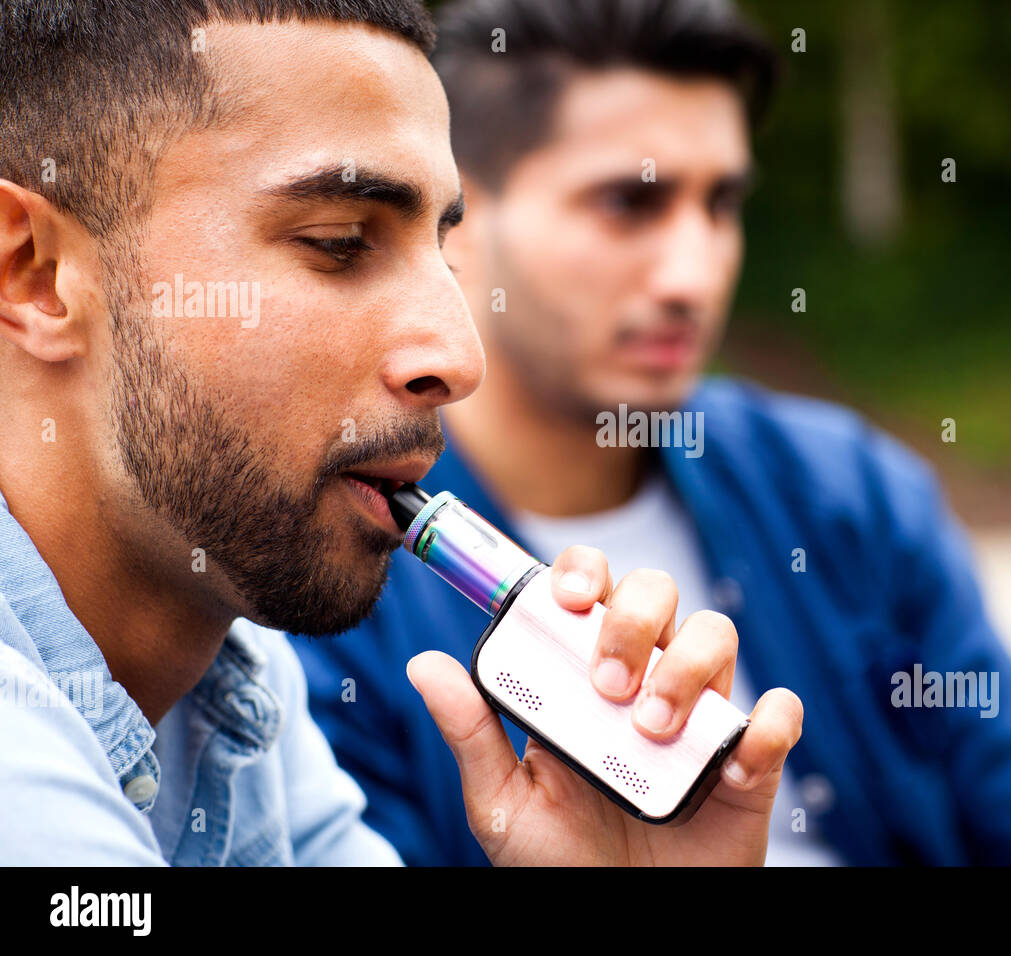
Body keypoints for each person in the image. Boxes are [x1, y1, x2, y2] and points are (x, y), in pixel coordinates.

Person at [291, 0, 1011, 865]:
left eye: (720, 203)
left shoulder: (848, 492)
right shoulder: (331, 580)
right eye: (630, 202)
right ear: (462, 217)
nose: (694, 270)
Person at [0, 0, 803, 866]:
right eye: (340, 243)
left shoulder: (241, 677)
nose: (459, 358)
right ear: (37, 274)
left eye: (443, 252)